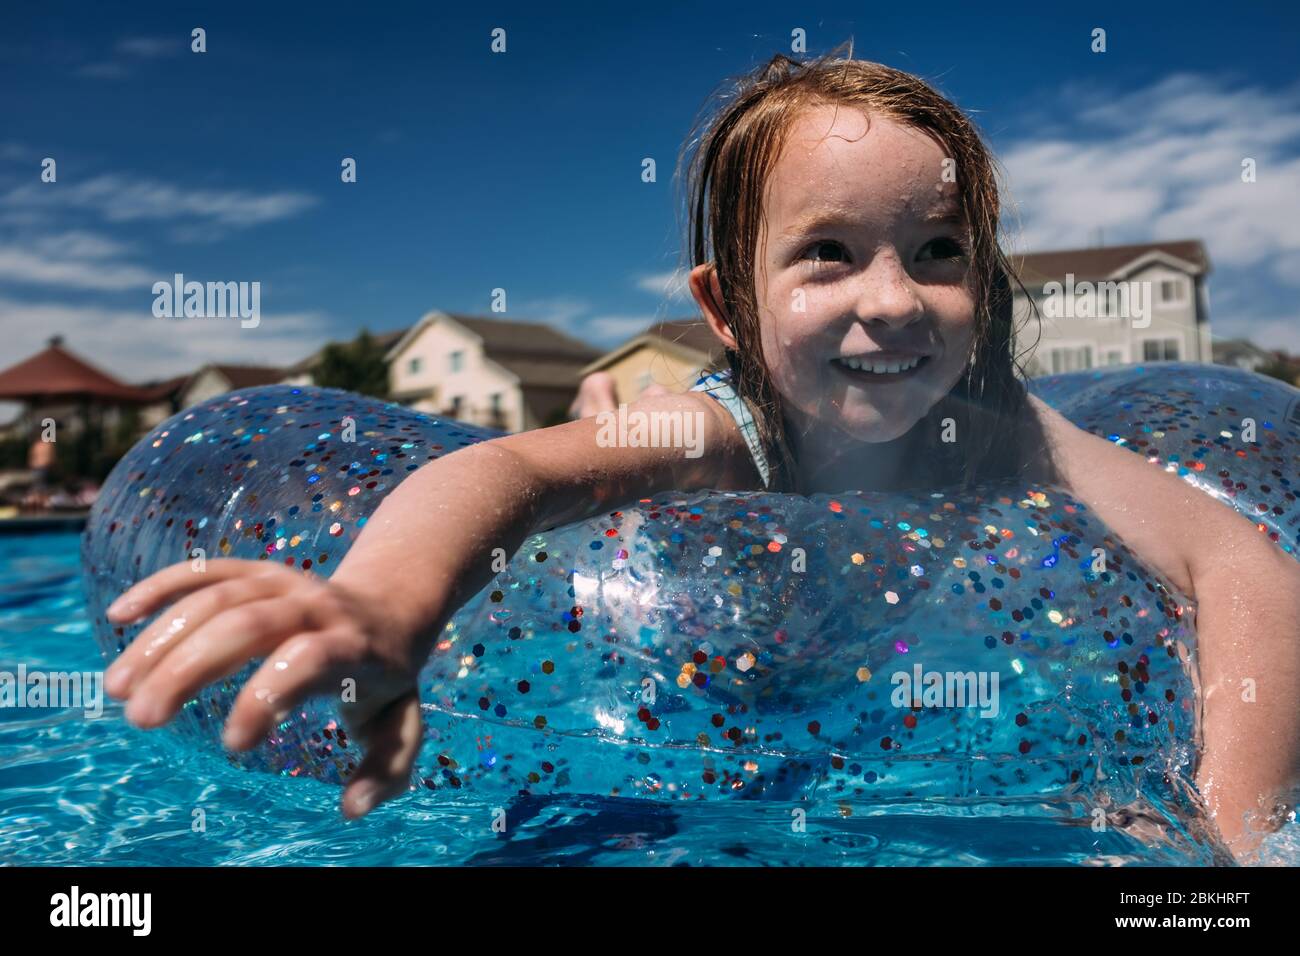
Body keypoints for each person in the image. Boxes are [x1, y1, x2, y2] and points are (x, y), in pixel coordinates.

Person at [103, 48, 1299, 859]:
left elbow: (1238, 560)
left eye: (937, 251)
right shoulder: (719, 430)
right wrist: (381, 605)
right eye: (826, 253)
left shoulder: (1008, 435)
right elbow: (505, 477)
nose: (891, 299)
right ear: (726, 306)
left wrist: (1223, 839)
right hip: (718, 686)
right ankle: (602, 390)